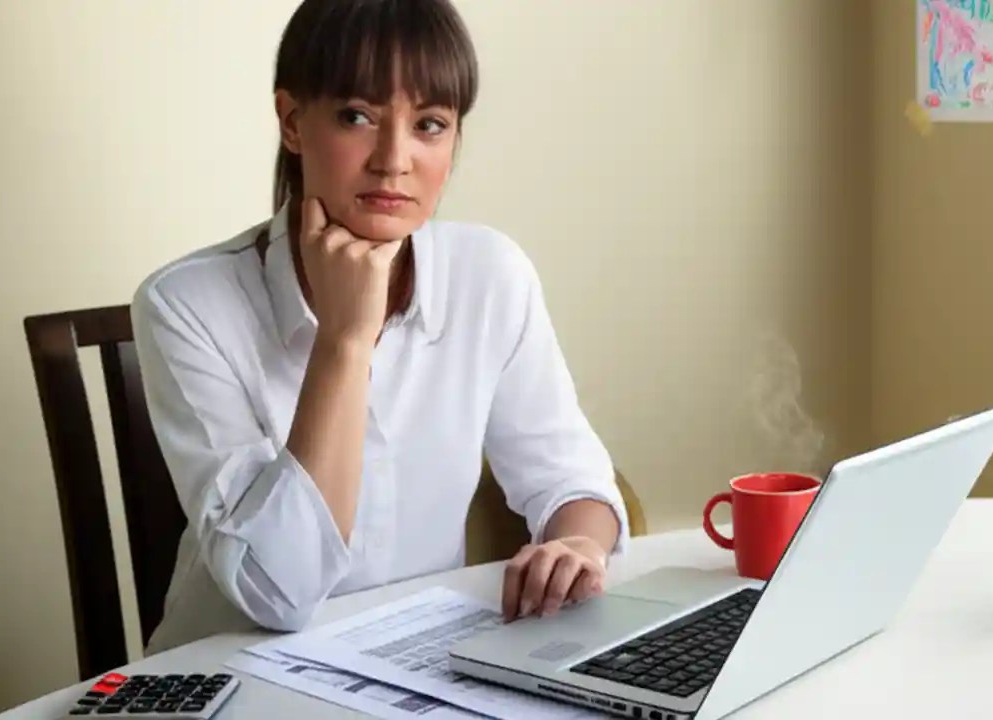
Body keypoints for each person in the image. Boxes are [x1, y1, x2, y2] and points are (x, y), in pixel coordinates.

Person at [131, 0, 628, 654]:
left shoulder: (490, 274)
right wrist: (344, 340)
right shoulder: (186, 304)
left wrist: (573, 545)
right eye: (357, 116)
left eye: (430, 124)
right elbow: (281, 591)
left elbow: (574, 482)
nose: (394, 160)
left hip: (412, 662)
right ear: (291, 121)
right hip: (233, 671)